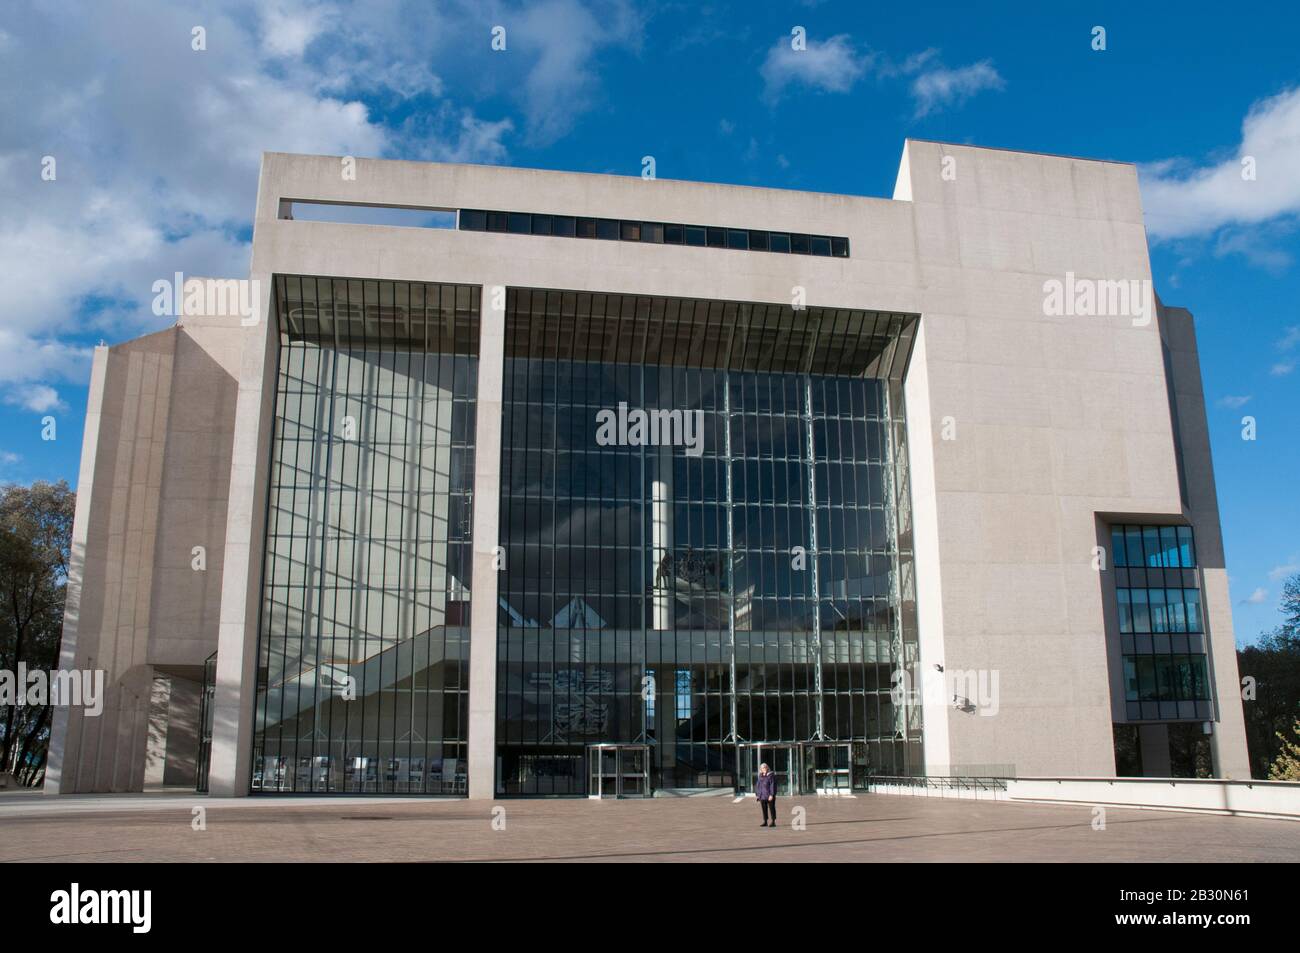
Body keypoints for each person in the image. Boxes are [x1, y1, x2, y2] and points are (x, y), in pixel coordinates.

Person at [755, 762, 777, 827]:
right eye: (762, 768)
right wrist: (758, 794)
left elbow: (772, 786)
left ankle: (773, 821)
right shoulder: (760, 776)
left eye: (765, 767)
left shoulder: (771, 776)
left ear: (767, 768)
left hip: (769, 795)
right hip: (762, 796)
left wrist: (772, 794)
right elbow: (758, 786)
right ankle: (765, 821)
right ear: (761, 769)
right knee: (764, 809)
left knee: (772, 808)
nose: (763, 769)